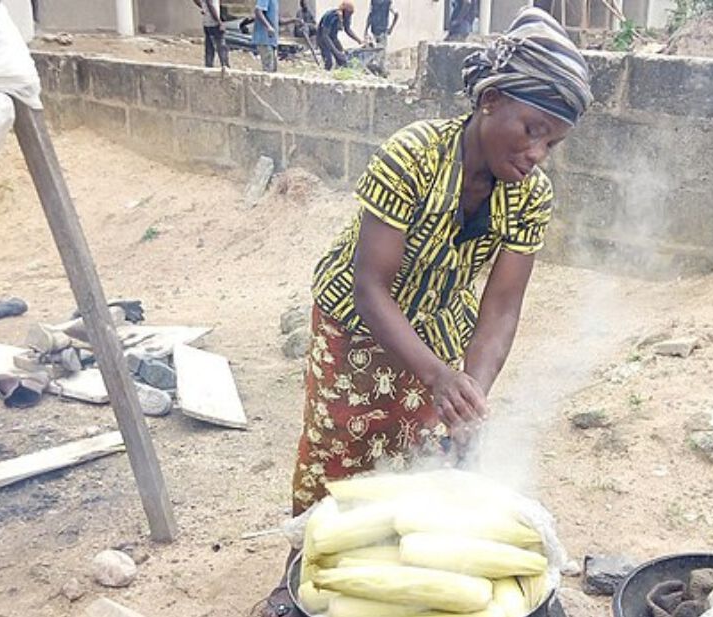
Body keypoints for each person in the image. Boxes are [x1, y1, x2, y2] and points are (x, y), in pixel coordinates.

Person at [253, 7, 594, 617]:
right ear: (489, 101)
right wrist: (439, 375)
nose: (539, 152)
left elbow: (502, 307)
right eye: (532, 129)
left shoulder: (530, 197)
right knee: (340, 458)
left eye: (554, 142)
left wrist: (470, 392)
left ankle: (393, 582)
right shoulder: (413, 156)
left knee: (421, 463)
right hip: (357, 330)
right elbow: (370, 287)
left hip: (440, 330)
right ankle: (303, 576)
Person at [316, 0, 361, 71]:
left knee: (343, 60)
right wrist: (335, 51)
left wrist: (359, 40)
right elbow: (325, 35)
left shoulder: (347, 17)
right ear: (344, 11)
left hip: (333, 37)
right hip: (322, 38)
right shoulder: (331, 16)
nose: (349, 16)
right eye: (348, 14)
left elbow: (347, 29)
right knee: (329, 62)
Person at [364, 0, 398, 76]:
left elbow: (370, 15)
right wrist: (391, 28)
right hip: (379, 29)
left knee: (379, 51)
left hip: (377, 29)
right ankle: (380, 70)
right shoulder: (386, 2)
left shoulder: (378, 2)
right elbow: (396, 14)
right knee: (381, 52)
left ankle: (380, 70)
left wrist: (366, 30)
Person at [192, 0, 229, 68]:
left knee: (209, 46)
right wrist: (219, 21)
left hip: (206, 22)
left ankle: (208, 67)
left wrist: (204, 8)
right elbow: (210, 5)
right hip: (214, 22)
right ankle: (225, 66)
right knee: (221, 46)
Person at [253, 0, 280, 72]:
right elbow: (258, 11)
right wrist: (268, 27)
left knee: (273, 70)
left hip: (272, 41)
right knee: (268, 70)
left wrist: (293, 20)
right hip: (265, 39)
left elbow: (276, 21)